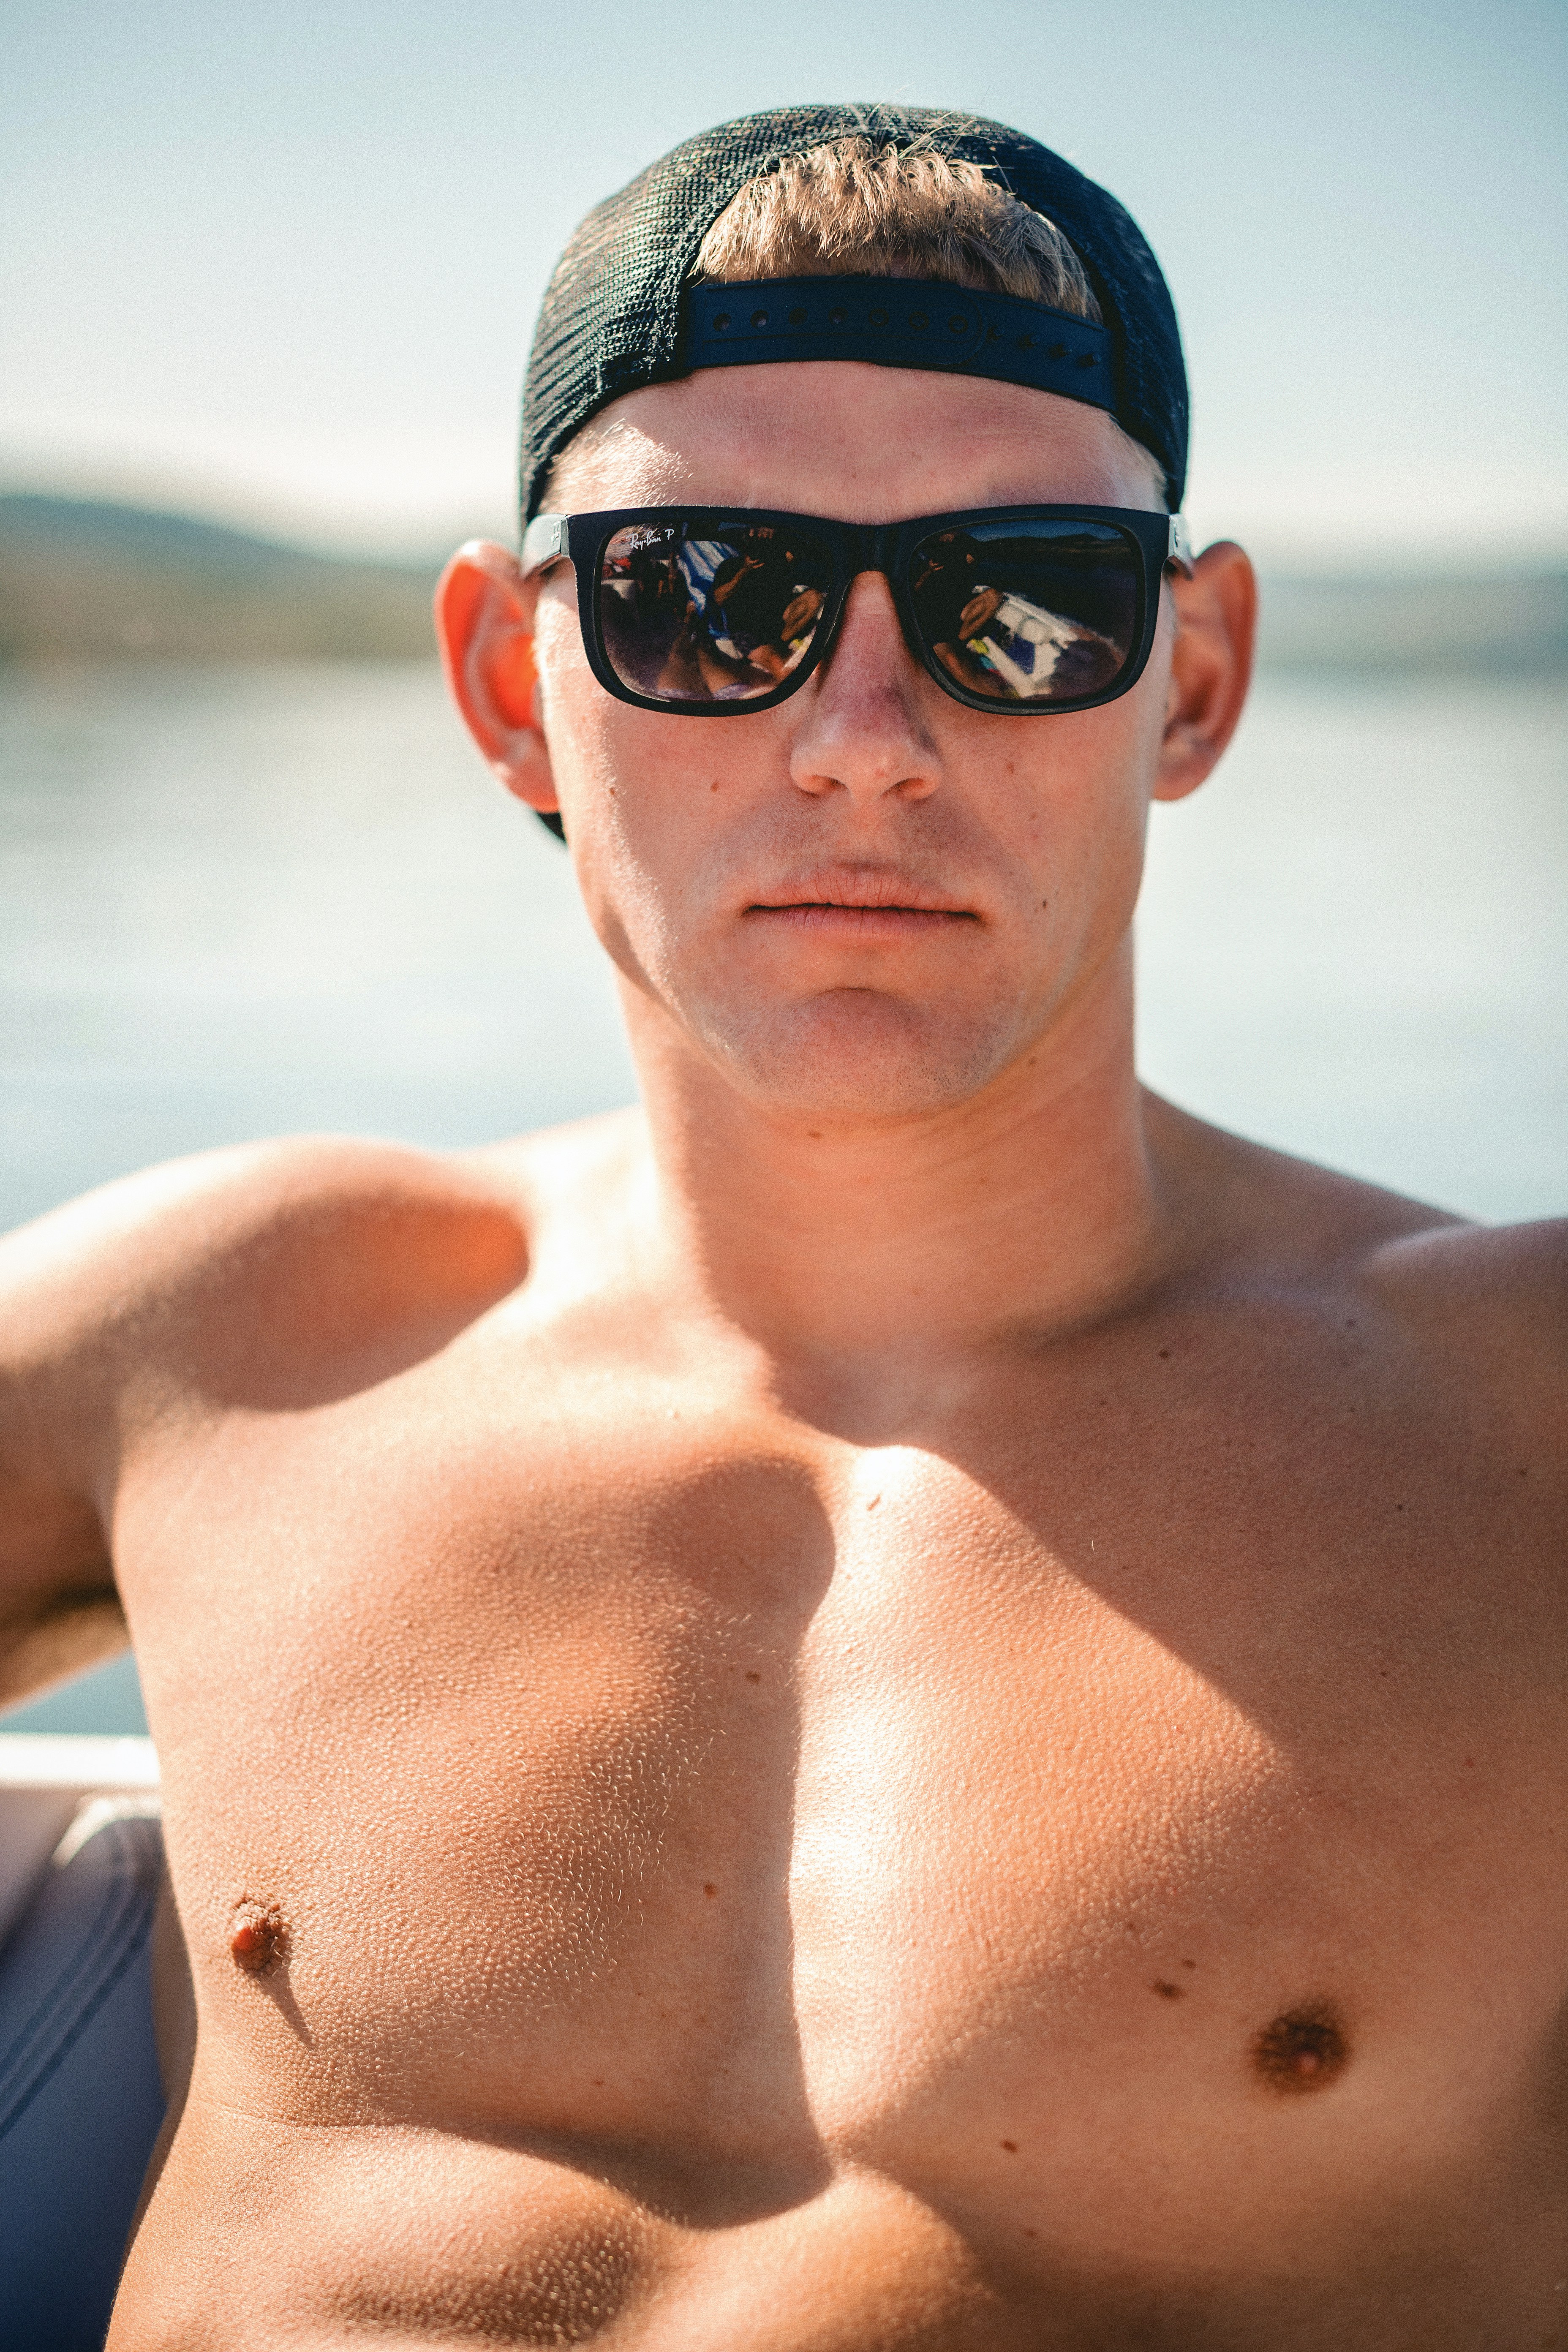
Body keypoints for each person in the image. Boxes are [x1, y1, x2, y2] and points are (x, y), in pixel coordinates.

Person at [1, 103, 1563, 2350]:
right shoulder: (222, 1337)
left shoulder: (1522, 1430)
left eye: (1024, 605)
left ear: (1195, 675)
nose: (862, 740)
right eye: (702, 595)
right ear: (508, 682)